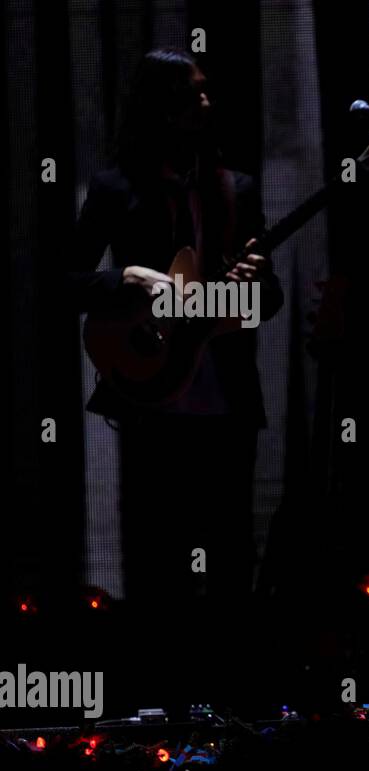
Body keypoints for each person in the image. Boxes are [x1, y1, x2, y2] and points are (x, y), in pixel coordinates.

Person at [68, 49, 283, 607]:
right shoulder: (117, 188)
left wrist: (252, 284)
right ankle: (158, 690)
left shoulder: (239, 189)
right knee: (155, 559)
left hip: (226, 404)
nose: (206, 102)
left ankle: (234, 691)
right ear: (158, 107)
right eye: (190, 93)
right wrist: (127, 277)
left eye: (206, 90)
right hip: (149, 399)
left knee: (232, 558)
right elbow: (62, 281)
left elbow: (269, 301)